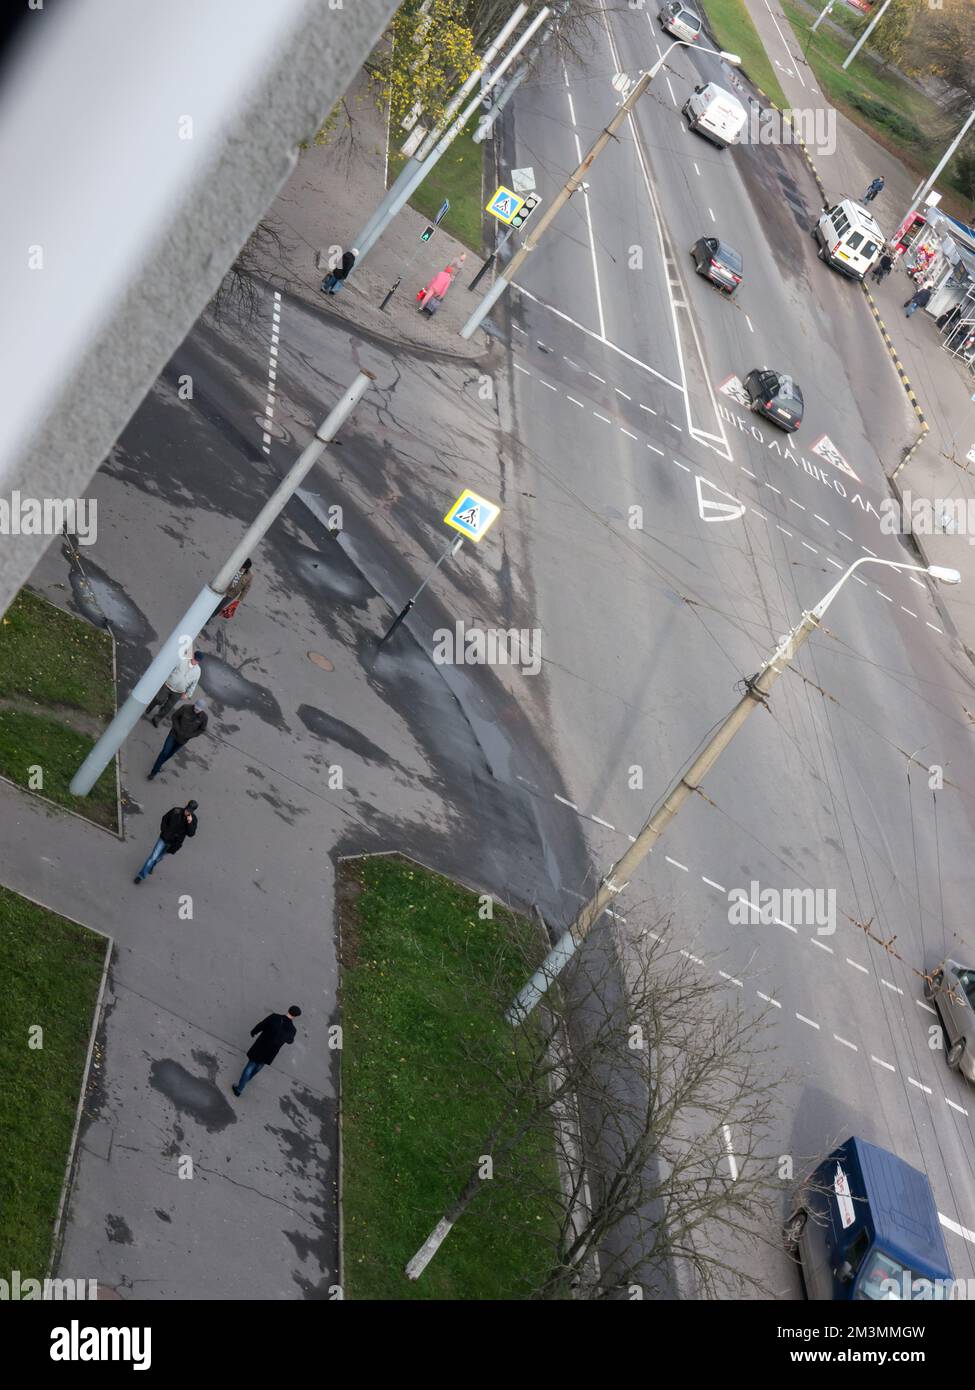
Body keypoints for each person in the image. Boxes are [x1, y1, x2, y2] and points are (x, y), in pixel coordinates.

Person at [232, 1007, 302, 1096]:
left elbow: (262, 1025)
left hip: (261, 1045)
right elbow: (290, 1041)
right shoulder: (292, 1029)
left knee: (251, 1064)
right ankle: (247, 1079)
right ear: (296, 1016)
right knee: (260, 1064)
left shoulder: (275, 1017)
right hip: (272, 1051)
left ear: (288, 1010)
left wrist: (254, 1032)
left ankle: (239, 1089)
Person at [134, 801, 198, 883]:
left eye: (190, 811)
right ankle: (141, 876)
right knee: (153, 857)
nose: (188, 812)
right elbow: (165, 818)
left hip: (173, 844)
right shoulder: (176, 811)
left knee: (158, 858)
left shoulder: (193, 820)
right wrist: (164, 831)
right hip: (164, 839)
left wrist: (189, 823)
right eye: (187, 809)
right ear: (186, 806)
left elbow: (191, 834)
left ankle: (151, 866)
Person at [148, 698, 208, 779]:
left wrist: (190, 735)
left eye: (199, 709)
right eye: (196, 707)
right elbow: (175, 717)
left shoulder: (204, 718)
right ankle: (154, 772)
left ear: (202, 709)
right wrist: (177, 729)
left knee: (170, 754)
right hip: (173, 734)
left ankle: (159, 764)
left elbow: (202, 729)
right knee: (165, 752)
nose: (196, 710)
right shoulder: (185, 708)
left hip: (183, 740)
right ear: (194, 704)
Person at [145, 652, 203, 726]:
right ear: (192, 656)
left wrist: (188, 694)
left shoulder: (198, 671)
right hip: (168, 685)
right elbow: (171, 668)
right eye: (195, 659)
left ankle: (156, 719)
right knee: (159, 699)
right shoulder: (183, 660)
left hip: (179, 692)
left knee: (168, 707)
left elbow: (194, 684)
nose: (195, 661)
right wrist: (163, 678)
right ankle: (150, 707)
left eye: (197, 661)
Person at [208, 558, 253, 622]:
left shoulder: (250, 575)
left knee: (220, 607)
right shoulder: (234, 566)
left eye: (243, 568)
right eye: (241, 567)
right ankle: (206, 615)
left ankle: (210, 617)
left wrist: (239, 599)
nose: (241, 569)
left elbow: (246, 588)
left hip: (231, 594)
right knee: (214, 603)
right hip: (223, 589)